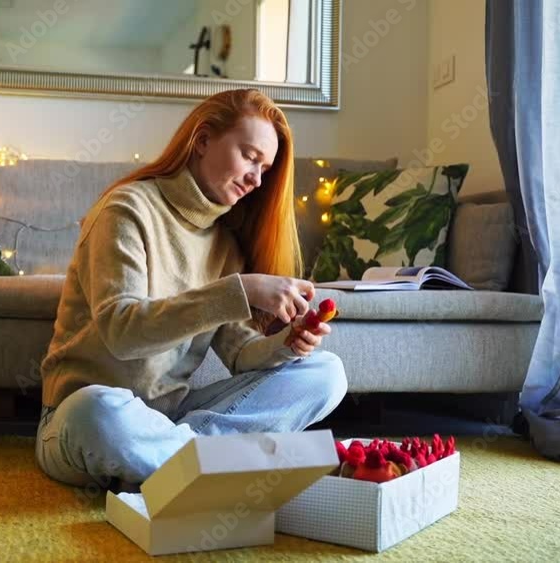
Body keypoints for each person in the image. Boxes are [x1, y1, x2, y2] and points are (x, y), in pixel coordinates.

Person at [35, 88, 348, 492]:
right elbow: (122, 333)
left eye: (265, 169)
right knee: (95, 412)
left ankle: (189, 465)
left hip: (169, 421)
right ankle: (223, 464)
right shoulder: (126, 209)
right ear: (202, 141)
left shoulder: (226, 245)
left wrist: (288, 344)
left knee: (326, 373)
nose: (256, 178)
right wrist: (240, 290)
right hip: (82, 420)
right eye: (250, 157)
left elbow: (239, 353)